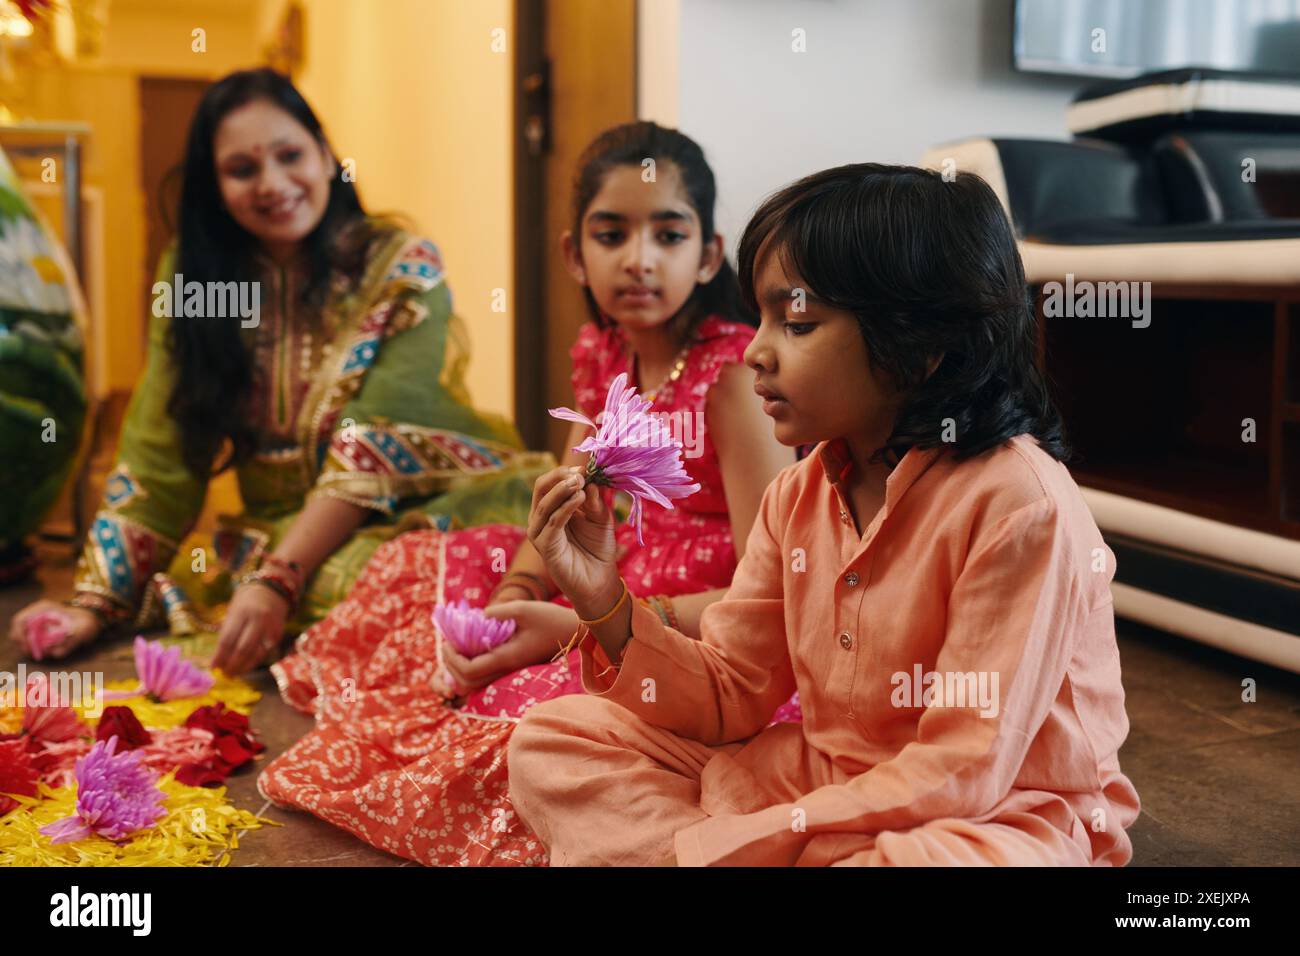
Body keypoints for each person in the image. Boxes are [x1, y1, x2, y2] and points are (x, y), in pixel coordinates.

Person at [509, 163, 1142, 866]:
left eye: (798, 322)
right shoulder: (799, 493)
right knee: (555, 740)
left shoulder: (1020, 505)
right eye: (762, 318)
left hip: (995, 814)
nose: (755, 350)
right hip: (822, 781)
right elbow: (731, 692)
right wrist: (601, 598)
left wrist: (742, 836)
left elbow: (966, 767)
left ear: (920, 348)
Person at [257, 122, 795, 865]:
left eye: (668, 237)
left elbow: (763, 598)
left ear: (707, 256)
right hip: (602, 580)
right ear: (576, 253)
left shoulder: (734, 380)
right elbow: (564, 505)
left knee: (534, 731)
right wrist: (515, 591)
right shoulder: (604, 354)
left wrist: (589, 626)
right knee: (419, 576)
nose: (639, 261)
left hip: (688, 630)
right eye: (613, 235)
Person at [7, 68, 544, 675]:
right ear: (214, 186)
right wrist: (95, 603)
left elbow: (369, 449)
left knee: (408, 579)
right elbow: (159, 453)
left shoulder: (399, 268)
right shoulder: (196, 280)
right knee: (309, 587)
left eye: (291, 156)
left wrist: (279, 578)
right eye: (242, 170)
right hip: (271, 537)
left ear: (324, 155)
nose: (274, 184)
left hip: (408, 512)